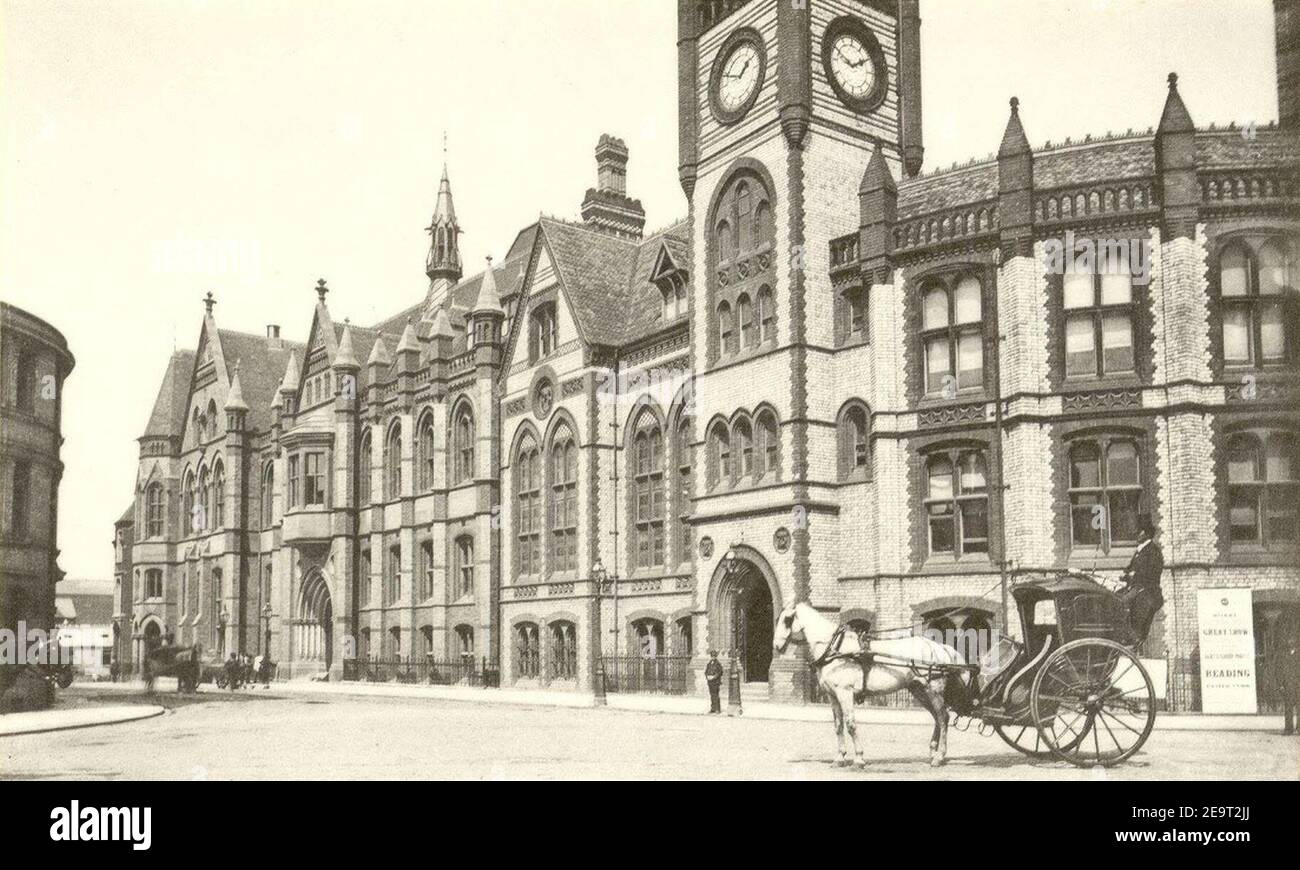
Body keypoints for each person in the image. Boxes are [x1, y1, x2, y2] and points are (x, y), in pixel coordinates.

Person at [1118, 516, 1164, 642]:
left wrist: (1132, 575)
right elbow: (1131, 568)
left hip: (1147, 590)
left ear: (1146, 533)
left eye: (1139, 532)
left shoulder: (1153, 551)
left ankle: (1130, 636)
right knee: (1115, 596)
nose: (1137, 534)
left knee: (1121, 602)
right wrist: (1125, 574)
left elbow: (1150, 573)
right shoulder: (1140, 550)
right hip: (1137, 587)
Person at [1274, 635, 1299, 736]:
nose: (1291, 643)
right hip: (1288, 685)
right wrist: (1280, 684)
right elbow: (1279, 671)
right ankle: (1288, 729)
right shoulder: (1282, 656)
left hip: (1298, 685)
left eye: (1293, 641)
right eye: (1289, 641)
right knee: (1288, 708)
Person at [704, 650, 723, 714]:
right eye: (712, 656)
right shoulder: (709, 664)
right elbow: (706, 672)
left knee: (716, 695)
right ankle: (713, 708)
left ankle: (718, 709)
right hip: (710, 682)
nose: (713, 657)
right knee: (712, 695)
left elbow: (720, 672)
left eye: (714, 656)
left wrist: (714, 677)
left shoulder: (718, 664)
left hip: (715, 682)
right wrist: (707, 676)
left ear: (716, 656)